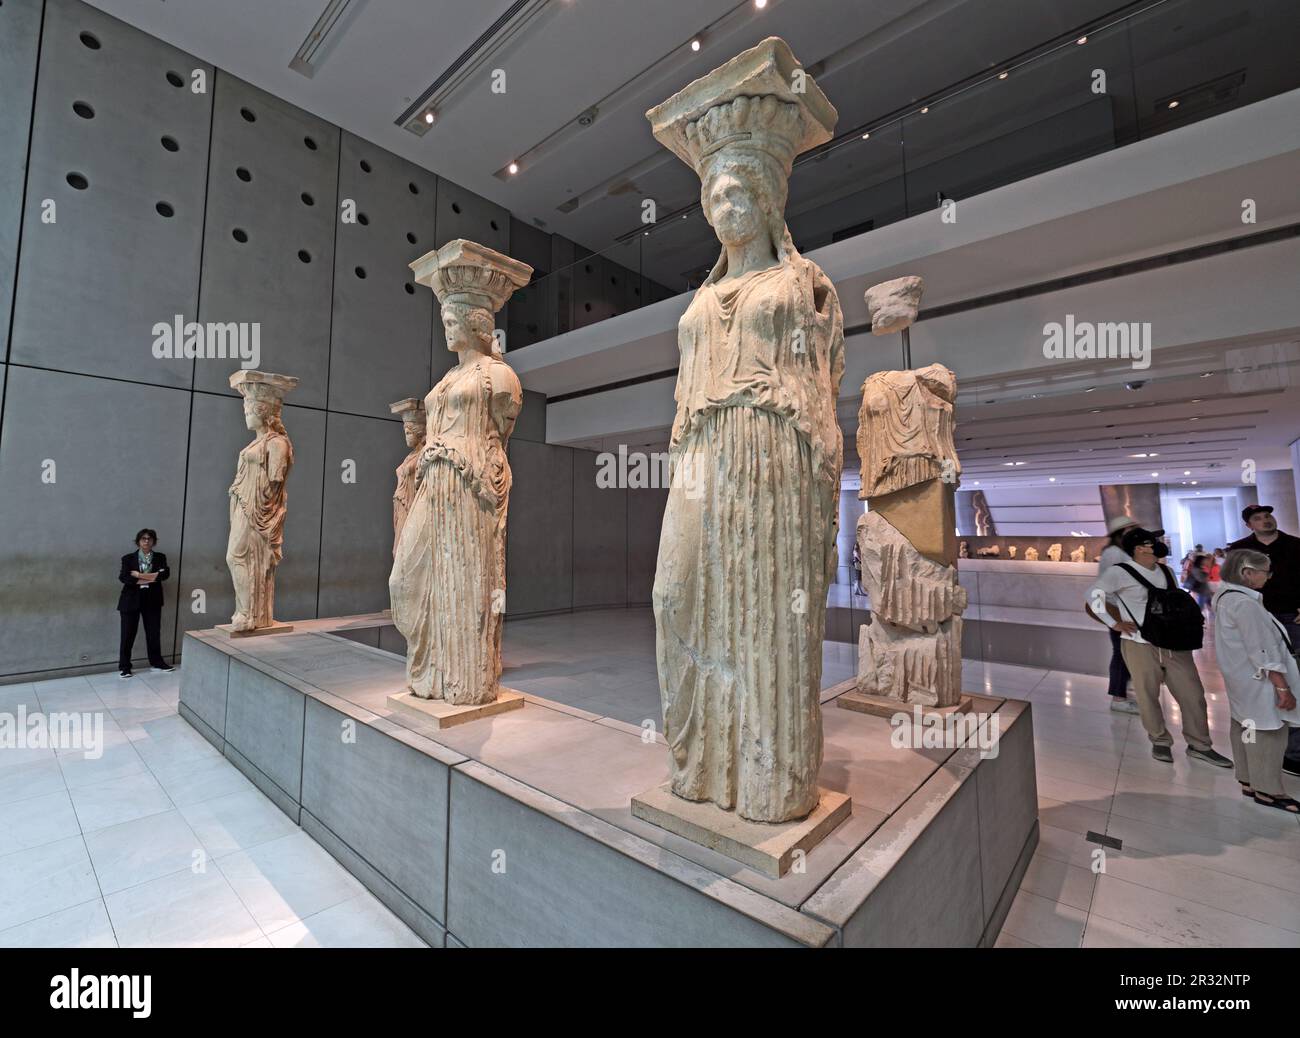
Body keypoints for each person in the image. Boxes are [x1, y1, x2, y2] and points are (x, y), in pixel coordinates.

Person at [1084, 526, 1232, 766]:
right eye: (1152, 541)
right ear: (1140, 547)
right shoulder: (1119, 573)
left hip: (1173, 643)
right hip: (1139, 644)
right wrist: (1114, 623)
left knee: (1193, 695)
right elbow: (1092, 596)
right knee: (1147, 695)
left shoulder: (1165, 570)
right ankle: (1160, 741)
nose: (1158, 543)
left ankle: (1200, 744)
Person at [1212, 549, 1300, 812]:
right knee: (1268, 732)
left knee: (1245, 725)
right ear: (1247, 573)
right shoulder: (1245, 604)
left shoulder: (1226, 596)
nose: (1269, 577)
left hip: (1241, 677)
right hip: (1258, 680)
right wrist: (1283, 687)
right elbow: (1262, 650)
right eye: (1265, 572)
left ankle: (1249, 779)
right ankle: (1269, 790)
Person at [1229, 504, 1300, 775]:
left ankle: (1294, 751)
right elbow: (1234, 584)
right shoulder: (1240, 549)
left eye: (1268, 515)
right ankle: (1268, 746)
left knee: (1294, 677)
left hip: (1291, 619)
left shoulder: (1294, 545)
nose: (1265, 520)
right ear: (1249, 525)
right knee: (1262, 680)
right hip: (1257, 619)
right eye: (1258, 518)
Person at [117, 529, 173, 679]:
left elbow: (165, 574)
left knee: (153, 633)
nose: (146, 541)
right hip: (131, 600)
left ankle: (157, 662)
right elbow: (124, 578)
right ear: (138, 541)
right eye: (143, 538)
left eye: (149, 539)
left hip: (152, 600)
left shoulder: (160, 557)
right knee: (127, 634)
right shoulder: (128, 558)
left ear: (154, 541)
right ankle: (125, 667)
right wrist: (152, 577)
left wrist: (139, 576)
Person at [1098, 515, 1141, 714]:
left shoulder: (1121, 551)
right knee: (1121, 652)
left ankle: (1124, 688)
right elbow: (1110, 585)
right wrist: (1120, 614)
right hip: (1120, 612)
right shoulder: (1114, 553)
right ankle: (1118, 696)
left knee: (1126, 651)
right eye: (1131, 528)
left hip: (1126, 610)